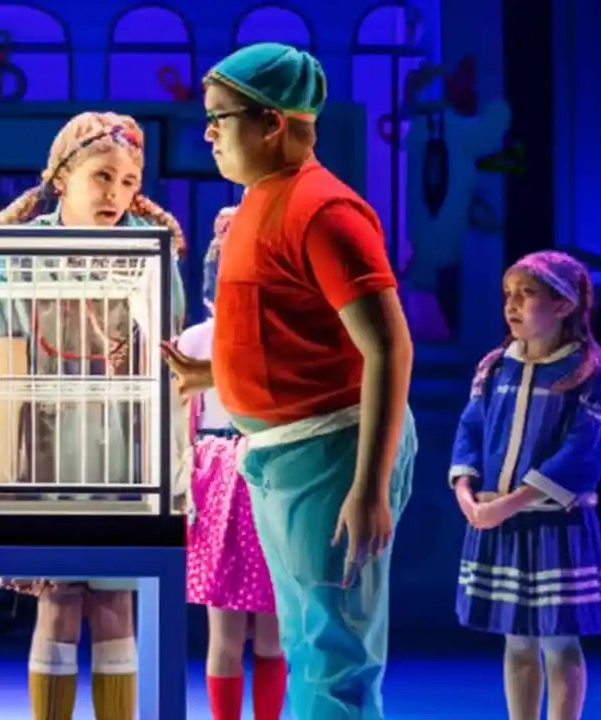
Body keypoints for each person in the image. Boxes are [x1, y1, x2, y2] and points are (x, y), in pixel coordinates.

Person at [161, 42, 418, 719]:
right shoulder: (256, 204)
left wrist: (368, 487)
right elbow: (289, 333)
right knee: (308, 642)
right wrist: (211, 372)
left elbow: (389, 348)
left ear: (272, 122)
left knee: (334, 655)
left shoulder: (324, 211)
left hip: (333, 453)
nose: (209, 134)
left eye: (221, 118)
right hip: (283, 455)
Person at [0, 111, 188, 720]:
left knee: (117, 597)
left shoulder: (150, 251)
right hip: (46, 448)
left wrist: (167, 468)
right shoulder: (16, 253)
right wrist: (5, 477)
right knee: (58, 598)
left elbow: (162, 367)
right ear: (62, 177)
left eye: (128, 182)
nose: (116, 194)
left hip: (122, 449)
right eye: (102, 177)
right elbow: (6, 369)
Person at [450, 251, 601, 720]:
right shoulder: (495, 367)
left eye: (527, 294)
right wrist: (467, 494)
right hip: (500, 523)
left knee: (559, 641)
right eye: (508, 295)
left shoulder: (587, 373)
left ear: (563, 304)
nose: (512, 304)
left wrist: (513, 502)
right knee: (517, 640)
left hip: (555, 527)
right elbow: (471, 432)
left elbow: (582, 453)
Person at [176, 206, 284, 720]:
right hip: (220, 482)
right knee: (225, 630)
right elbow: (182, 422)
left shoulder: (283, 340)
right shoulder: (196, 338)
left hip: (272, 475)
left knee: (271, 630)